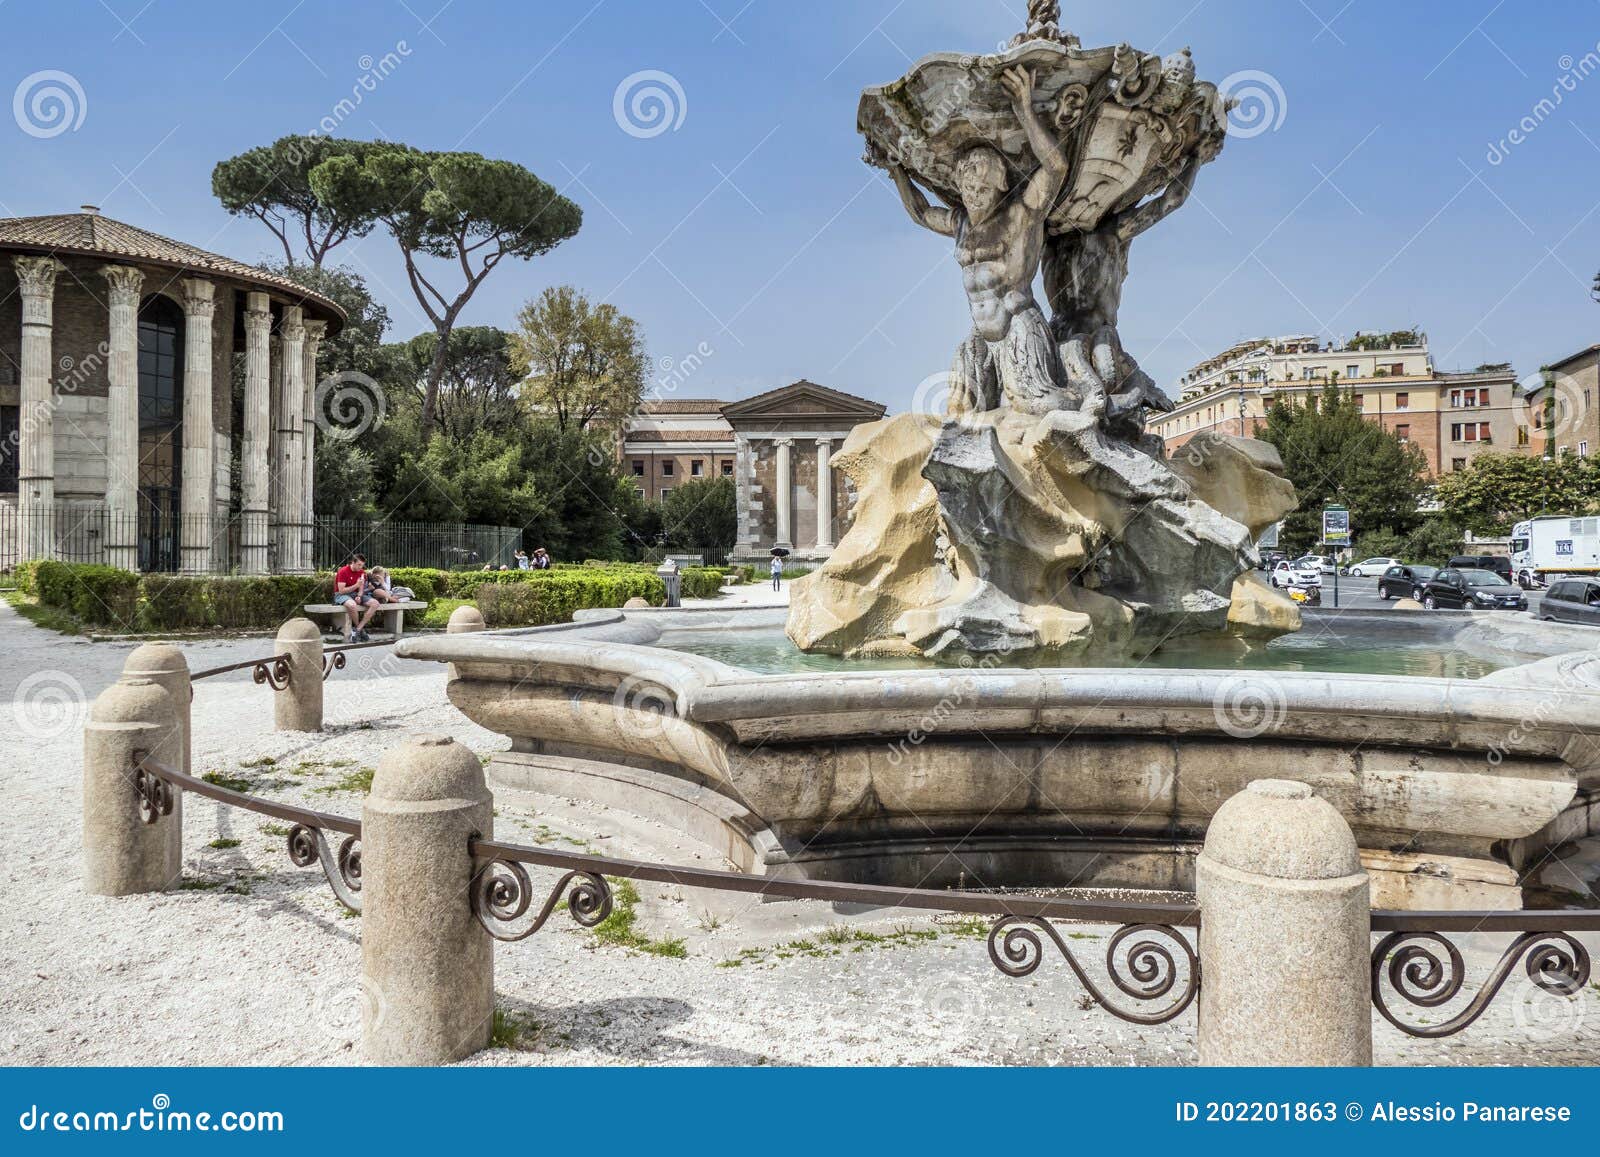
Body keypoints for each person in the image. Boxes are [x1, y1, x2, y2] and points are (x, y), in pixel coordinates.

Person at [884, 65, 1078, 418]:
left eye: (983, 178)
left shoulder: (1021, 215)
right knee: (958, 416)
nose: (974, 185)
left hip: (1019, 328)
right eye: (968, 178)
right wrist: (896, 171)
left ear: (1001, 183)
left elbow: (1055, 168)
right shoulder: (960, 224)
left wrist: (1024, 110)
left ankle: (1089, 400)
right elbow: (922, 212)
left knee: (1039, 409)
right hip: (979, 340)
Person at [333, 553, 380, 642]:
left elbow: (361, 588)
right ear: (353, 562)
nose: (360, 567)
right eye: (359, 565)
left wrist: (359, 595)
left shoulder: (361, 572)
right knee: (352, 605)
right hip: (341, 595)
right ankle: (361, 630)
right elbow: (341, 591)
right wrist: (356, 585)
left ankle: (358, 629)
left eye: (362, 565)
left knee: (375, 604)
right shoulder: (343, 571)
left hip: (355, 594)